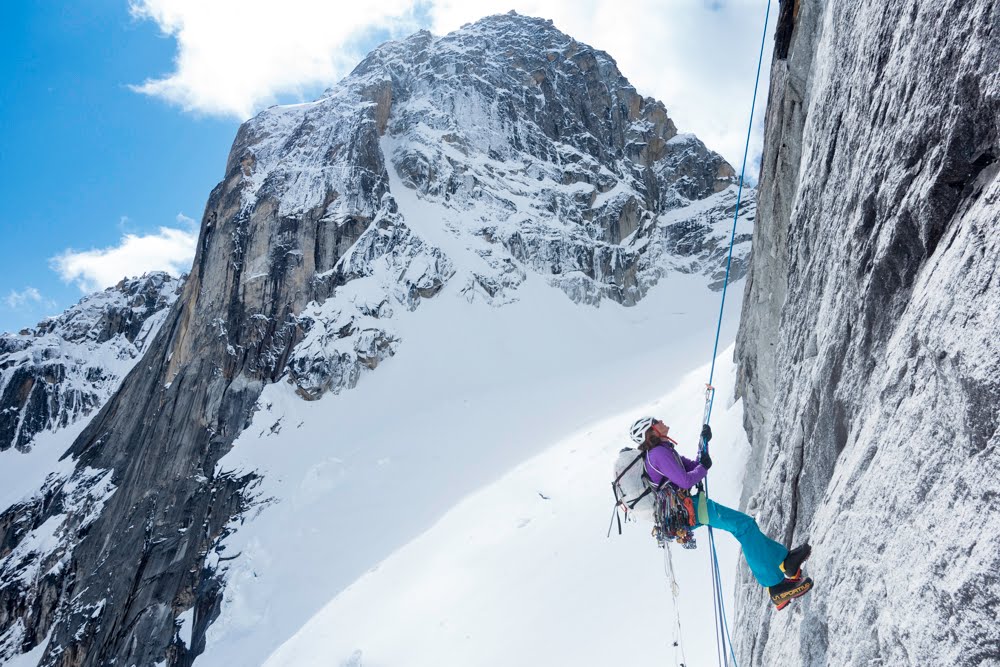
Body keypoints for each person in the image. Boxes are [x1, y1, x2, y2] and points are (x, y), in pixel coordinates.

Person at [629, 416, 813, 609]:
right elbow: (686, 480)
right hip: (686, 509)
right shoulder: (658, 453)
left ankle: (786, 561)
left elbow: (694, 466)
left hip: (685, 509)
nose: (662, 420)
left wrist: (704, 443)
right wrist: (703, 467)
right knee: (744, 526)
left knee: (745, 526)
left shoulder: (663, 450)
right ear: (651, 430)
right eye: (656, 421)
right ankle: (776, 589)